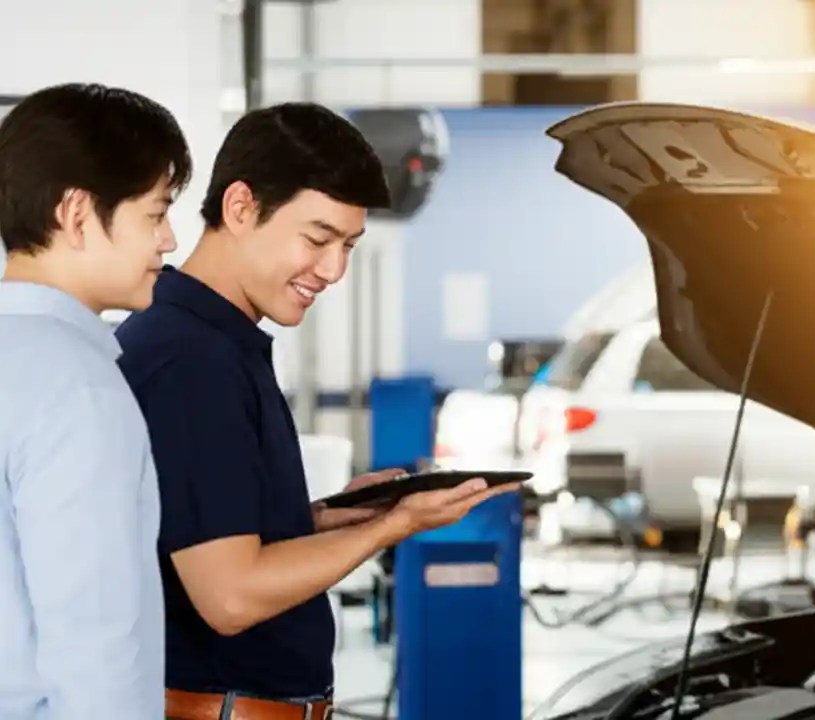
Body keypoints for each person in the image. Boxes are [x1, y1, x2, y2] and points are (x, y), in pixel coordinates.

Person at [114, 102, 513, 720]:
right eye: (318, 238)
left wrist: (331, 518)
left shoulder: (213, 343)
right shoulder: (192, 360)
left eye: (349, 245)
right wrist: (393, 526)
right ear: (241, 207)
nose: (333, 270)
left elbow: (201, 533)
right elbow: (231, 595)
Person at [0, 83, 191, 719]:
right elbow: (95, 647)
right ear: (77, 214)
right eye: (155, 213)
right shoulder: (76, 386)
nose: (167, 241)